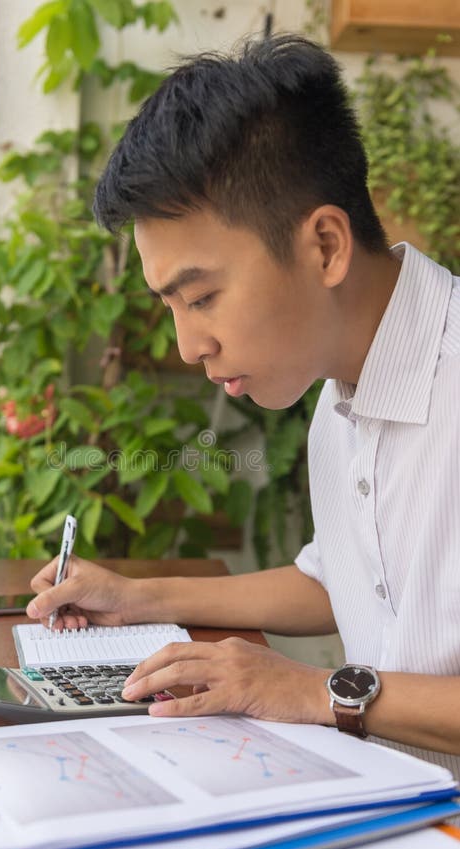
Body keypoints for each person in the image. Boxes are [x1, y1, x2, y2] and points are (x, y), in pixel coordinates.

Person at [26, 34, 460, 776]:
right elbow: (338, 582)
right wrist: (137, 597)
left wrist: (316, 692)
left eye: (201, 298)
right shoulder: (338, 391)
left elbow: (322, 682)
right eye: (171, 305)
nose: (189, 344)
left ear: (324, 245)